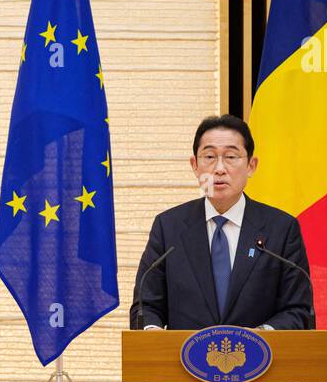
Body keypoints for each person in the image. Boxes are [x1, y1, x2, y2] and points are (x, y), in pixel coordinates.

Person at [129, 113, 313, 331]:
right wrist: (152, 334)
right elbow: (146, 306)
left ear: (251, 166)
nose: (219, 169)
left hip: (260, 362)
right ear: (194, 165)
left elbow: (299, 311)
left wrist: (260, 338)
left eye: (231, 157)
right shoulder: (169, 227)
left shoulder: (281, 229)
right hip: (183, 362)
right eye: (209, 157)